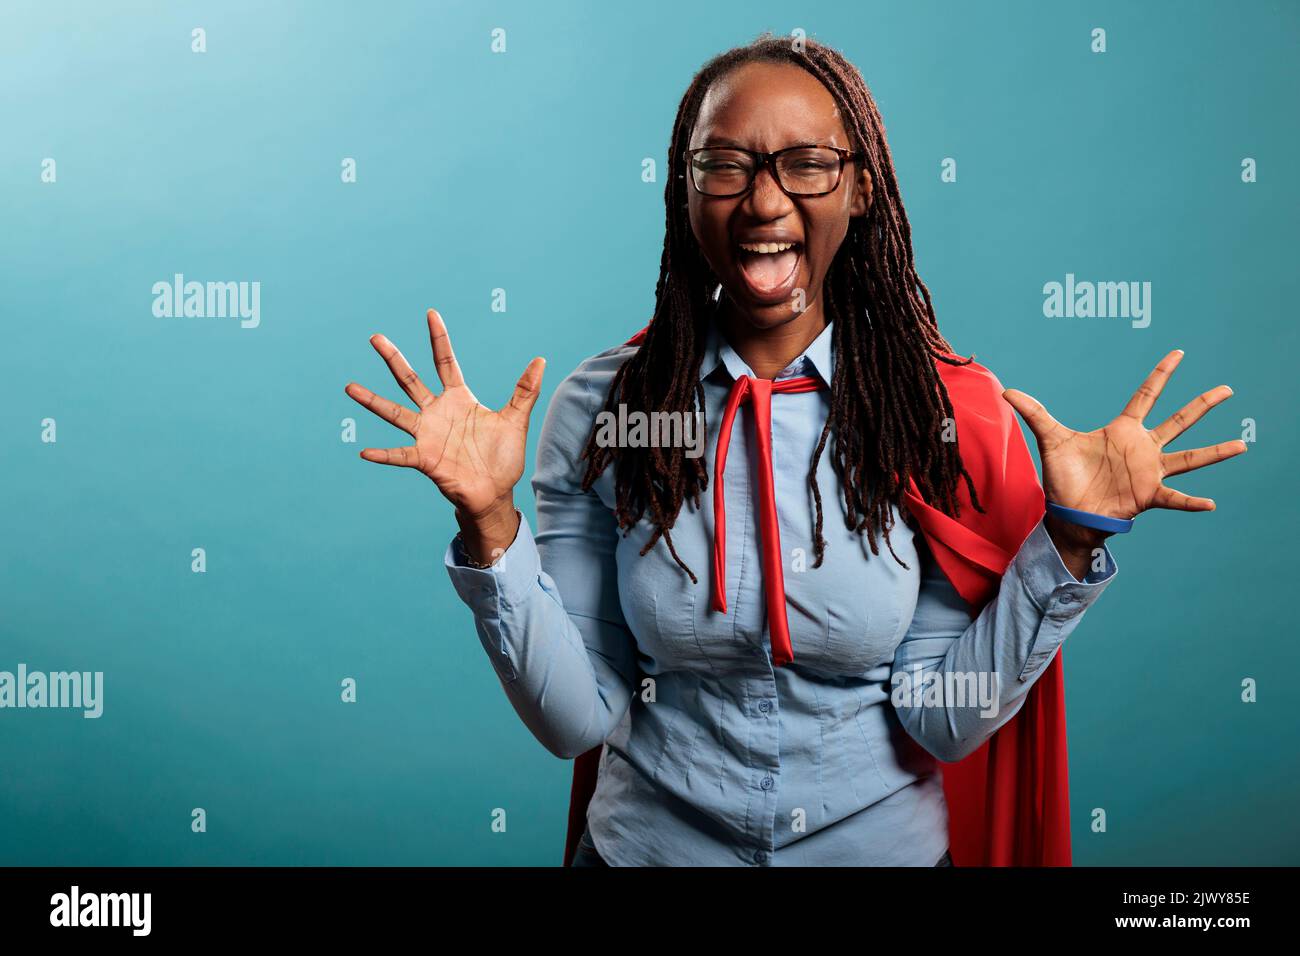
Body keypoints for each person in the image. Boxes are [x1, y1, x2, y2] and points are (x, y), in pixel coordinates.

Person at [343, 34, 1245, 866]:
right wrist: (491, 522)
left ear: (860, 188)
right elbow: (577, 718)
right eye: (725, 165)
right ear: (684, 190)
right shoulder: (606, 410)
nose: (765, 200)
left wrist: (1073, 542)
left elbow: (942, 721)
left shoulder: (939, 415)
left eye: (806, 164)